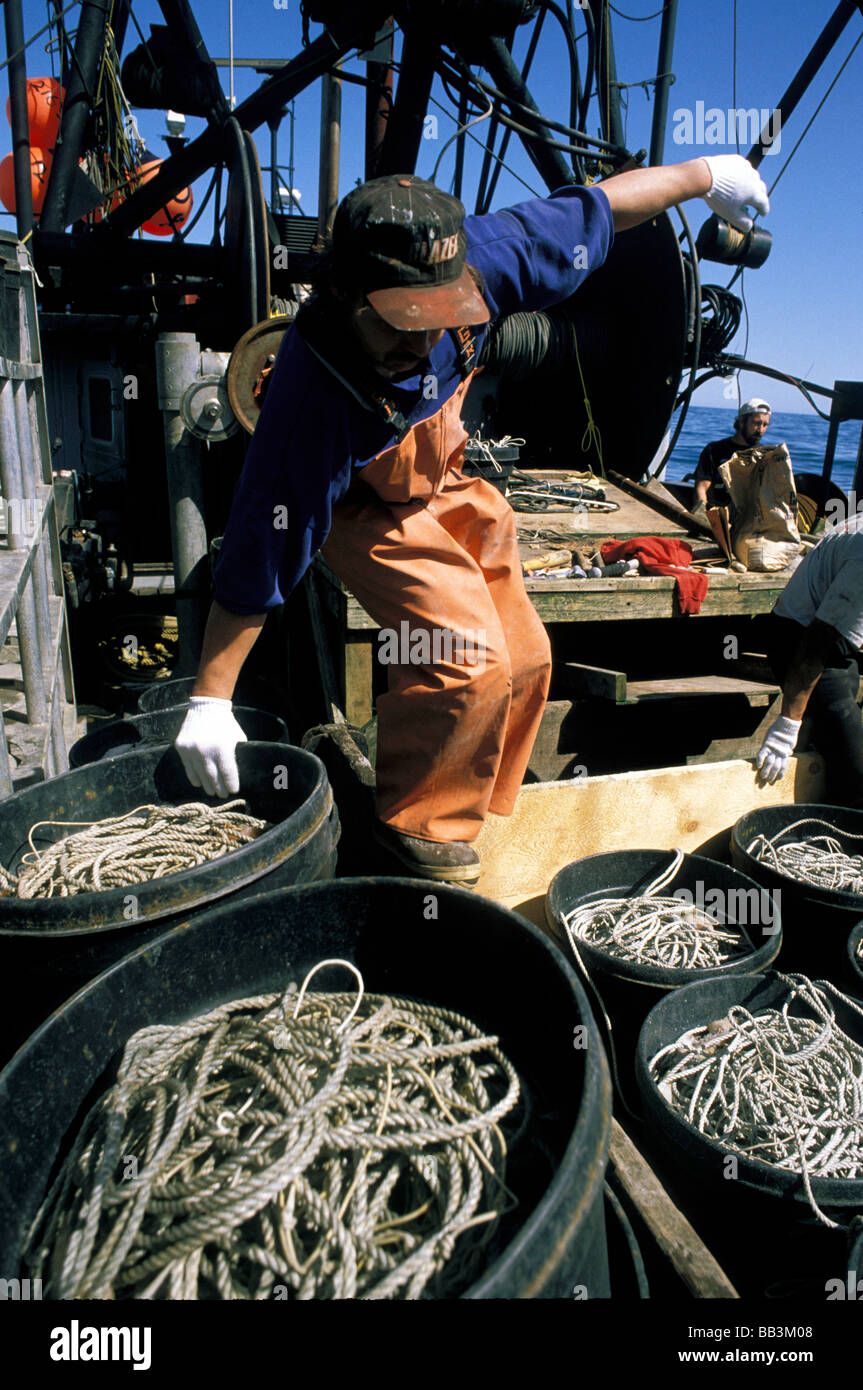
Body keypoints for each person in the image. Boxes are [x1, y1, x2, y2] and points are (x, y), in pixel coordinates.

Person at [175, 153, 768, 885]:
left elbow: (600, 208)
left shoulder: (494, 255)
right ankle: (413, 826)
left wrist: (707, 173)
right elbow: (261, 556)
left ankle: (467, 800)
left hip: (445, 475)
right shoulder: (310, 397)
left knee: (523, 662)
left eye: (439, 320)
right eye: (399, 325)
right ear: (344, 296)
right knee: (465, 662)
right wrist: (211, 697)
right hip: (363, 502)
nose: (423, 343)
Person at [756, 511, 863, 806]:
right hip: (798, 639)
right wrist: (788, 724)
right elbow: (815, 644)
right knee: (857, 768)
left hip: (835, 636)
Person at [692, 398, 771, 511]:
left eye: (765, 425)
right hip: (717, 514)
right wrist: (702, 514)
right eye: (757, 423)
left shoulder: (766, 456)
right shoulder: (714, 450)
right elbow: (702, 487)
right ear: (742, 421)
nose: (761, 429)